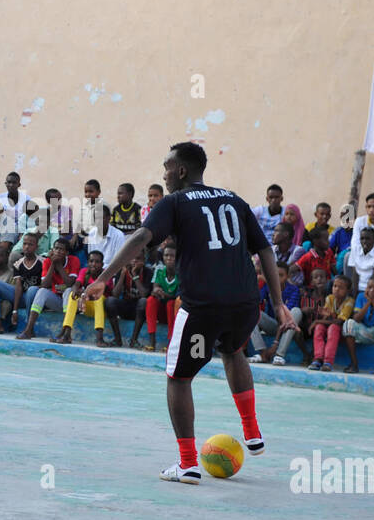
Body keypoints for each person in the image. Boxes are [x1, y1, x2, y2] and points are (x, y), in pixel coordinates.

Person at [84, 142, 295, 484]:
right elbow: (265, 250)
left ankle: (188, 463)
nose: (163, 174)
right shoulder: (233, 198)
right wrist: (278, 302)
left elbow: (141, 237)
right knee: (232, 349)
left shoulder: (175, 202)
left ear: (181, 170)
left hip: (203, 309)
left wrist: (103, 279)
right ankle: (252, 431)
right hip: (243, 306)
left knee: (179, 378)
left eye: (166, 167)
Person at [17, 238, 76, 339]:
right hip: (57, 301)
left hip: (72, 304)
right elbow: (44, 284)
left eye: (61, 249)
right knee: (42, 291)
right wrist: (53, 264)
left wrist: (59, 266)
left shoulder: (73, 260)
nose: (58, 251)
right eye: (56, 248)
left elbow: (70, 283)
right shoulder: (48, 262)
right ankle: (28, 330)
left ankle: (65, 332)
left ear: (66, 253)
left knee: (68, 291)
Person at [309, 274, 355, 372]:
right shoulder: (329, 298)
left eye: (341, 287)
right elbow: (328, 317)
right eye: (335, 286)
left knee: (333, 328)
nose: (337, 289)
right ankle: (318, 358)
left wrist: (317, 320)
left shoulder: (349, 301)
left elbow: (339, 321)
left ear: (348, 291)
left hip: (342, 331)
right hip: (330, 325)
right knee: (319, 328)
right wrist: (325, 315)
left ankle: (328, 362)